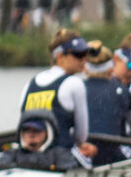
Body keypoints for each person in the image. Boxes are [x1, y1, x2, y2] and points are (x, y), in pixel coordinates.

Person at [20, 29, 98, 161]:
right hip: (59, 160)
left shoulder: (30, 83)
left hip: (29, 157)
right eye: (78, 55)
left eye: (85, 55)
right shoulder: (75, 83)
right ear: (60, 56)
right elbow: (81, 136)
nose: (84, 60)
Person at [81, 41, 131, 166]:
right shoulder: (122, 90)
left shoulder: (77, 87)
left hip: (84, 156)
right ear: (111, 69)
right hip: (111, 156)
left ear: (84, 68)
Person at [0, 114, 90, 171]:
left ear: (47, 133)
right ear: (21, 134)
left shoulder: (59, 154)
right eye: (27, 131)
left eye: (36, 131)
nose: (31, 135)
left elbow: (69, 170)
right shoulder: (13, 154)